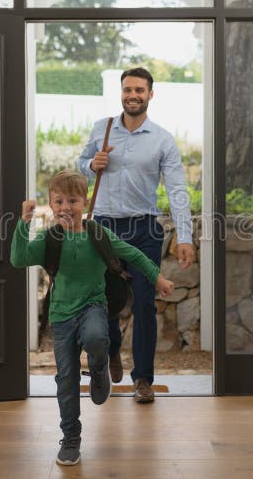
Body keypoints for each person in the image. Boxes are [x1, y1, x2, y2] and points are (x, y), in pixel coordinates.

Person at [10, 170, 174, 466]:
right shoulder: (50, 239)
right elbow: (19, 258)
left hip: (93, 306)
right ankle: (71, 438)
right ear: (51, 205)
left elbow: (134, 255)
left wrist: (157, 277)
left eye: (72, 201)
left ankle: (99, 370)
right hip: (61, 315)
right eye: (59, 201)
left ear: (84, 203)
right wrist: (24, 223)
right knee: (67, 380)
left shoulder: (98, 235)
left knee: (97, 337)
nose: (66, 207)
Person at [77, 67, 195, 404]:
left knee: (144, 304)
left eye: (139, 90)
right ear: (121, 93)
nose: (133, 95)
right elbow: (81, 164)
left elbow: (177, 190)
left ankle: (143, 379)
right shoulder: (102, 128)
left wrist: (185, 236)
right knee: (105, 301)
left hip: (144, 229)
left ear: (150, 94)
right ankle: (112, 351)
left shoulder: (162, 139)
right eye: (127, 89)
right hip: (104, 228)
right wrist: (91, 165)